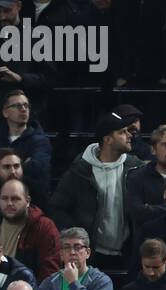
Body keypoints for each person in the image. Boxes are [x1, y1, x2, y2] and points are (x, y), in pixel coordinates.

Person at [49, 110, 144, 267]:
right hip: (91, 256)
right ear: (107, 139)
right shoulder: (80, 171)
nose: (130, 135)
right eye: (122, 132)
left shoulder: (136, 168)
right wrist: (80, 234)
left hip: (128, 254)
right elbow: (56, 208)